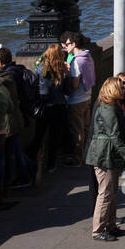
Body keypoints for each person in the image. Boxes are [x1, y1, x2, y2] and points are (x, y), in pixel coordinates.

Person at [85, 75, 125, 242]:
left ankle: (110, 225)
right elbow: (114, 135)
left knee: (111, 191)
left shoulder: (111, 106)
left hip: (108, 154)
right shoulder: (108, 108)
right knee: (106, 192)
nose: (123, 89)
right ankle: (99, 229)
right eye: (120, 86)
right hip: (103, 156)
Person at [36, 43, 73, 173]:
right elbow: (68, 91)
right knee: (54, 137)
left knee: (39, 135)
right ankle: (51, 164)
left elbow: (39, 87)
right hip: (59, 107)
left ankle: (34, 162)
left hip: (45, 107)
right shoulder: (63, 70)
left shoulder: (42, 69)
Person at [60, 31, 95, 165]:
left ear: (74, 44)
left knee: (77, 131)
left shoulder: (76, 61)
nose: (65, 47)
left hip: (76, 100)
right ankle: (86, 154)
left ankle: (77, 158)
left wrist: (67, 73)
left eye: (67, 44)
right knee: (86, 128)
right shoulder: (88, 56)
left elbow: (74, 84)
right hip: (88, 96)